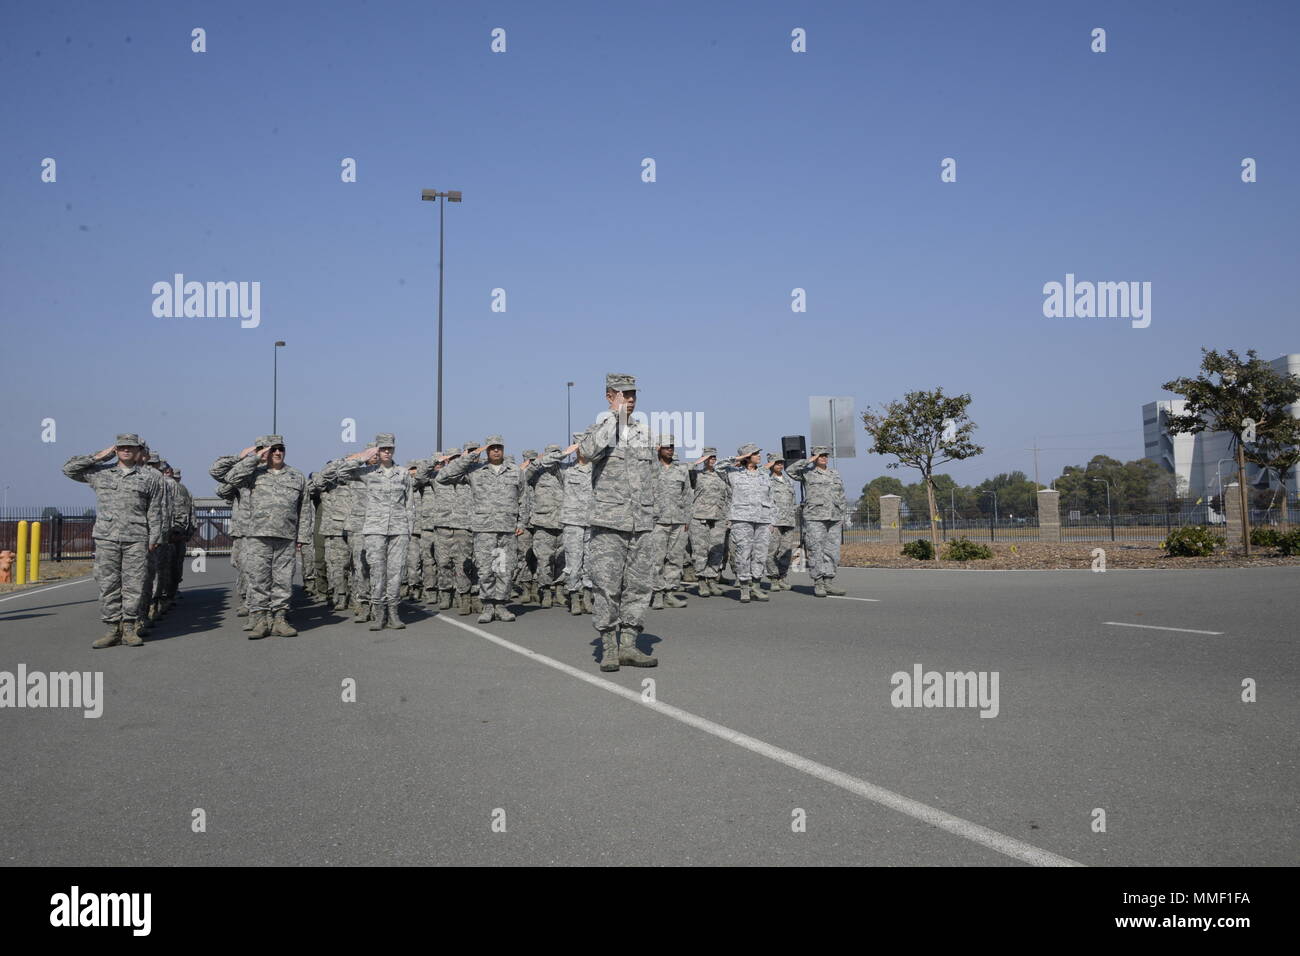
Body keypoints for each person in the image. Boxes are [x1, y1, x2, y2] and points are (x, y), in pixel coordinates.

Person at [579, 374, 659, 671]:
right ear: (609, 396)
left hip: (642, 523)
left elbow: (655, 479)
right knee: (607, 586)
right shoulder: (599, 429)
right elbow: (588, 452)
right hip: (609, 523)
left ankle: (629, 644)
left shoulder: (646, 433)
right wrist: (615, 418)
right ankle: (609, 647)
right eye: (623, 394)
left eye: (633, 394)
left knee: (639, 587)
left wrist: (656, 517)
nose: (630, 399)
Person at [63, 434, 164, 647]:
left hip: (137, 538)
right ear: (115, 450)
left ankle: (129, 627)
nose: (126, 450)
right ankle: (112, 628)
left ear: (138, 451)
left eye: (131, 447)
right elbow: (69, 469)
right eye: (122, 447)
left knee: (134, 584)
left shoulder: (150, 477)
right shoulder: (100, 473)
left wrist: (154, 537)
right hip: (106, 537)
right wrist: (99, 456)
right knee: (108, 583)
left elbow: (155, 510)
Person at [222, 436, 313, 637]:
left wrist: (302, 537)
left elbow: (304, 508)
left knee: (283, 580)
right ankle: (260, 620)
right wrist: (253, 458)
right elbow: (228, 478)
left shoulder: (296, 476)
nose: (278, 453)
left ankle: (280, 619)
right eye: (273, 450)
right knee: (258, 579)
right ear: (265, 453)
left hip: (286, 536)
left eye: (281, 449)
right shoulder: (253, 473)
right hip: (257, 535)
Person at [331, 435, 416, 630]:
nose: (387, 452)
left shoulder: (403, 474)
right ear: (377, 450)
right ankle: (379, 614)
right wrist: (362, 456)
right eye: (383, 449)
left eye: (390, 449)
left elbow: (409, 504)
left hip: (398, 530)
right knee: (377, 572)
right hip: (375, 530)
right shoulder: (368, 472)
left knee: (396, 573)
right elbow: (341, 472)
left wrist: (408, 530)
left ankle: (393, 612)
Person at [436, 436, 524, 624]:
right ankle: (487, 605)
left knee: (502, 569)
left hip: (506, 530)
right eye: (491, 448)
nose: (496, 451)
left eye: (499, 447)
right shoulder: (474, 471)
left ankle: (500, 604)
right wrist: (468, 457)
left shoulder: (515, 471)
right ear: (486, 450)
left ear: (503, 449)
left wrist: (521, 523)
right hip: (484, 529)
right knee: (485, 569)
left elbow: (524, 498)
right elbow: (442, 477)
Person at [211, 436, 270, 626]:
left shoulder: (278, 473)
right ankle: (249, 600)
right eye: (262, 448)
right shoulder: (243, 473)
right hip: (244, 530)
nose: (267, 453)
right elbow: (218, 477)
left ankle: (268, 607)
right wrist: (241, 458)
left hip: (267, 530)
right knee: (246, 567)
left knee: (267, 571)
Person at [787, 445, 848, 596]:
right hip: (815, 517)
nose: (824, 457)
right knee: (816, 550)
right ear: (814, 457)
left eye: (826, 455)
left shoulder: (835, 474)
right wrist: (808, 461)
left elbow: (841, 494)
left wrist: (842, 514)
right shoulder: (807, 473)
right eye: (820, 455)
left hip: (834, 517)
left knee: (832, 551)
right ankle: (818, 582)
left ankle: (828, 581)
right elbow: (790, 471)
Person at [720, 443, 773, 603]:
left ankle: (756, 587)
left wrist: (772, 520)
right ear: (747, 456)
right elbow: (718, 466)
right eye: (756, 453)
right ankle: (744, 587)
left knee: (760, 554)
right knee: (743, 553)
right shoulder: (734, 473)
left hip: (763, 519)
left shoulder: (764, 474)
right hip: (742, 519)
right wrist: (738, 458)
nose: (759, 456)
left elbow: (771, 498)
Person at [649, 434, 691, 610]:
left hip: (678, 521)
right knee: (656, 559)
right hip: (657, 521)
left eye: (672, 447)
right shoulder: (651, 469)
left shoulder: (681, 470)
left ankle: (670, 593)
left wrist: (687, 518)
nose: (670, 450)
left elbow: (687, 494)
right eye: (667, 447)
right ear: (659, 449)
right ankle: (657, 594)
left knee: (675, 559)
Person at [525, 443, 568, 608]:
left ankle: (559, 591)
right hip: (543, 524)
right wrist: (539, 462)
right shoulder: (537, 473)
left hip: (563, 522)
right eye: (552, 454)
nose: (554, 458)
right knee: (544, 560)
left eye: (557, 454)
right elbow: (524, 476)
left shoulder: (564, 471)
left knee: (561, 560)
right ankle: (546, 591)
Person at [560, 432, 594, 616]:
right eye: (579, 445)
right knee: (573, 560)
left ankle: (587, 596)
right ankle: (574, 596)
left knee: (590, 561)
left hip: (593, 521)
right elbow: (543, 464)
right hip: (572, 521)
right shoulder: (566, 469)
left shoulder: (598, 469)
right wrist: (565, 452)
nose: (583, 448)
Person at [689, 446, 729, 597]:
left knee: (717, 549)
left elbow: (728, 496)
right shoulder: (696, 475)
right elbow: (686, 470)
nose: (711, 460)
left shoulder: (722, 476)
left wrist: (728, 516)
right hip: (700, 517)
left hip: (719, 517)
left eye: (713, 457)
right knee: (700, 550)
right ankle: (700, 581)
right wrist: (699, 461)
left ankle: (712, 579)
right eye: (708, 458)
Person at [764, 453, 798, 590]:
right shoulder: (767, 480)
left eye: (781, 463)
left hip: (788, 521)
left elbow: (793, 500)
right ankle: (773, 578)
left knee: (786, 551)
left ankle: (782, 576)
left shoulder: (788, 480)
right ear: (771, 464)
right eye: (777, 463)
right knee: (771, 550)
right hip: (774, 522)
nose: (780, 465)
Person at [167, 466, 196, 601]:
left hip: (174, 532)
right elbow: (192, 514)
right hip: (177, 532)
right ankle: (171, 591)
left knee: (171, 564)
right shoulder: (184, 490)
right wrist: (189, 532)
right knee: (174, 563)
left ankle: (169, 592)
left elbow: (189, 512)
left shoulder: (181, 491)